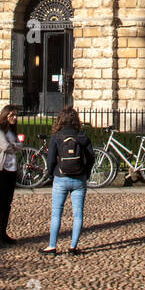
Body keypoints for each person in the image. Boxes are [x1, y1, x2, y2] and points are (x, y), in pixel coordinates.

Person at [42, 105, 95, 256]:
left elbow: (51, 159)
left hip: (60, 177)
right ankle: (73, 247)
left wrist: (52, 175)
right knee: (78, 214)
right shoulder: (82, 136)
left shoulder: (57, 136)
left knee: (56, 213)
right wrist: (86, 172)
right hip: (79, 179)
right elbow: (91, 157)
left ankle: (52, 246)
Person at [0, 104, 21, 249]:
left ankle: (3, 233)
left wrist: (16, 145)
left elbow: (17, 144)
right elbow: (6, 146)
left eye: (16, 115)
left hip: (10, 170)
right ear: (5, 115)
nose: (14, 118)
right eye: (12, 115)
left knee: (7, 203)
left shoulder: (11, 131)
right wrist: (16, 146)